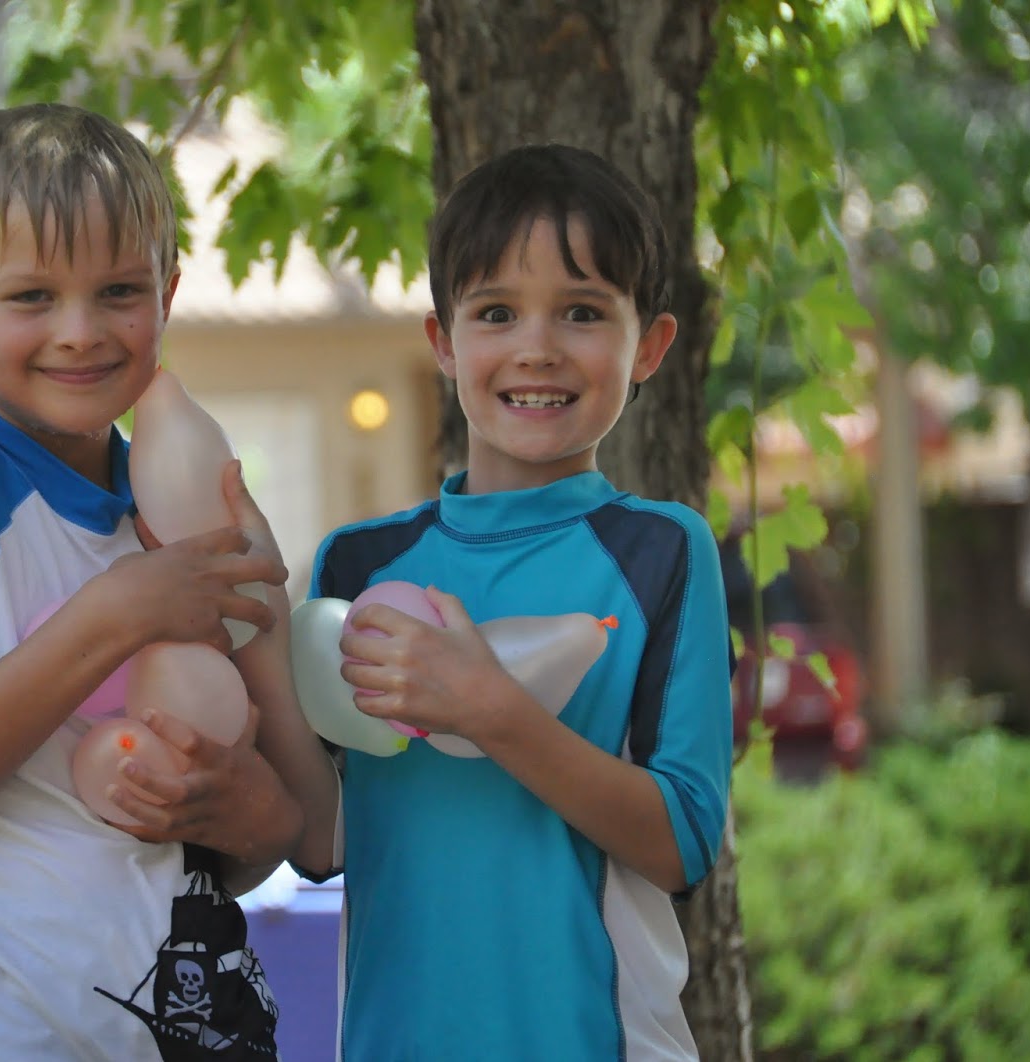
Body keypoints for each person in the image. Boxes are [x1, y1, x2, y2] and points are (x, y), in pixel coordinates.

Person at [0, 102, 335, 1061]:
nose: (79, 331)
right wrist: (110, 618)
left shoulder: (180, 498)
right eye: (31, 297)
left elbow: (285, 844)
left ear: (168, 294)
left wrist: (241, 801)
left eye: (117, 291)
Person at [301, 144, 734, 1059]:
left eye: (582, 312)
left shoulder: (661, 551)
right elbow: (315, 843)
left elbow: (682, 843)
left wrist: (491, 710)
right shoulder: (355, 564)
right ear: (444, 345)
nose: (537, 348)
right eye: (496, 312)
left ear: (649, 346)